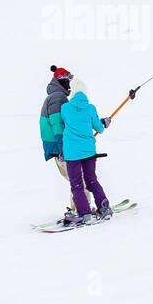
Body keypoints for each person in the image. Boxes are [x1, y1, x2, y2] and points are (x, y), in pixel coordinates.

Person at [39, 66, 93, 218]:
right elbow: (57, 125)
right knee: (78, 178)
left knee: (76, 178)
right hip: (60, 146)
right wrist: (64, 149)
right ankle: (82, 210)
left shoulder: (56, 96)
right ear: (61, 81)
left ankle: (78, 208)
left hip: (59, 146)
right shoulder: (57, 98)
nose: (70, 84)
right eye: (68, 80)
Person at [60, 76, 113, 226]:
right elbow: (99, 128)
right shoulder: (91, 108)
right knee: (91, 180)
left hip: (72, 153)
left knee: (76, 184)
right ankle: (104, 207)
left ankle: (85, 213)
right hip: (89, 152)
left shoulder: (65, 108)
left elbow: (66, 122)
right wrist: (104, 122)